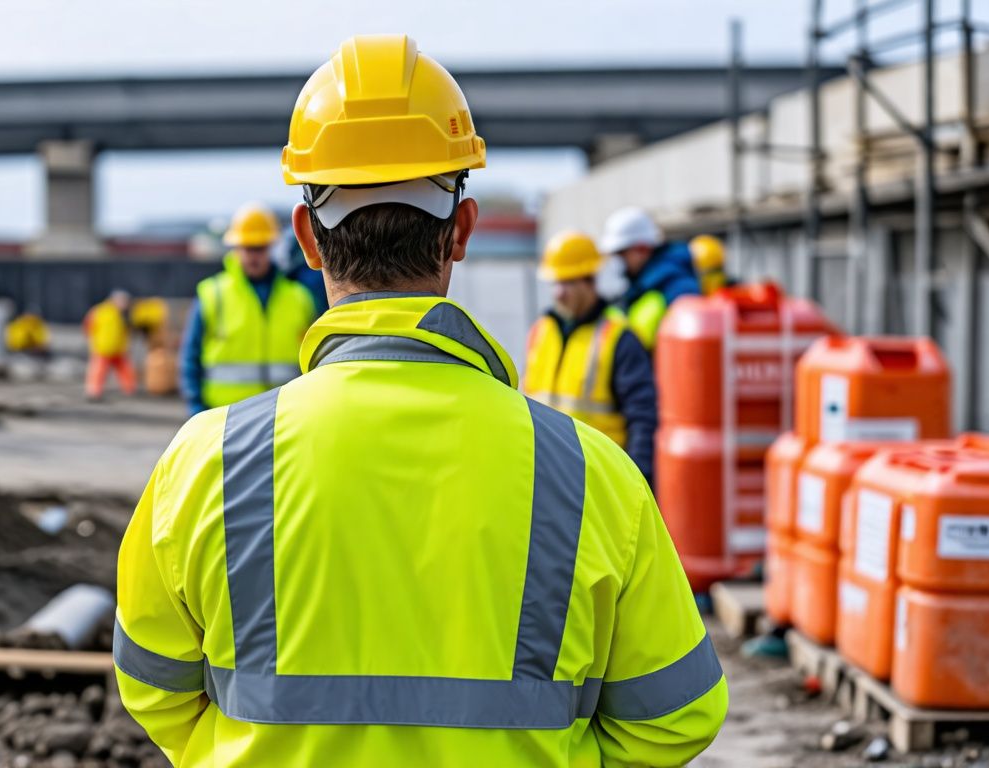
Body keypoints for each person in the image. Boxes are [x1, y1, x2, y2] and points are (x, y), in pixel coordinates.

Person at [114, 35, 726, 768]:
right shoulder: (593, 474)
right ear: (461, 231)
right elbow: (679, 714)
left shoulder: (201, 462)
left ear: (307, 239)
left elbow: (152, 685)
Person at [524, 231, 658, 485]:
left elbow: (643, 419)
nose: (558, 293)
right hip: (544, 478)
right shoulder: (540, 332)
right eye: (555, 283)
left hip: (598, 481)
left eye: (567, 283)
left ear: (590, 282)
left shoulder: (618, 337)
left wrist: (637, 482)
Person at [178, 202, 316, 415]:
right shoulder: (212, 294)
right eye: (247, 248)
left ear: (271, 246)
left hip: (283, 417)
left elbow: (314, 361)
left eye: (259, 248)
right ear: (236, 248)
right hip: (223, 417)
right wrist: (197, 411)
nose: (253, 255)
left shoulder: (299, 298)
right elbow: (190, 358)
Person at [599, 206, 700, 351]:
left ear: (642, 249)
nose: (618, 261)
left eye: (621, 253)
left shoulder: (677, 287)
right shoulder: (642, 286)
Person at [83, 290, 136, 401]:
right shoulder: (100, 311)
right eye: (123, 301)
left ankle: (129, 389)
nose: (125, 304)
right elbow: (88, 326)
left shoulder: (123, 314)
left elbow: (126, 331)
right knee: (98, 371)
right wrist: (93, 342)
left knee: (125, 370)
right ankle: (94, 391)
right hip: (103, 347)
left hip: (118, 348)